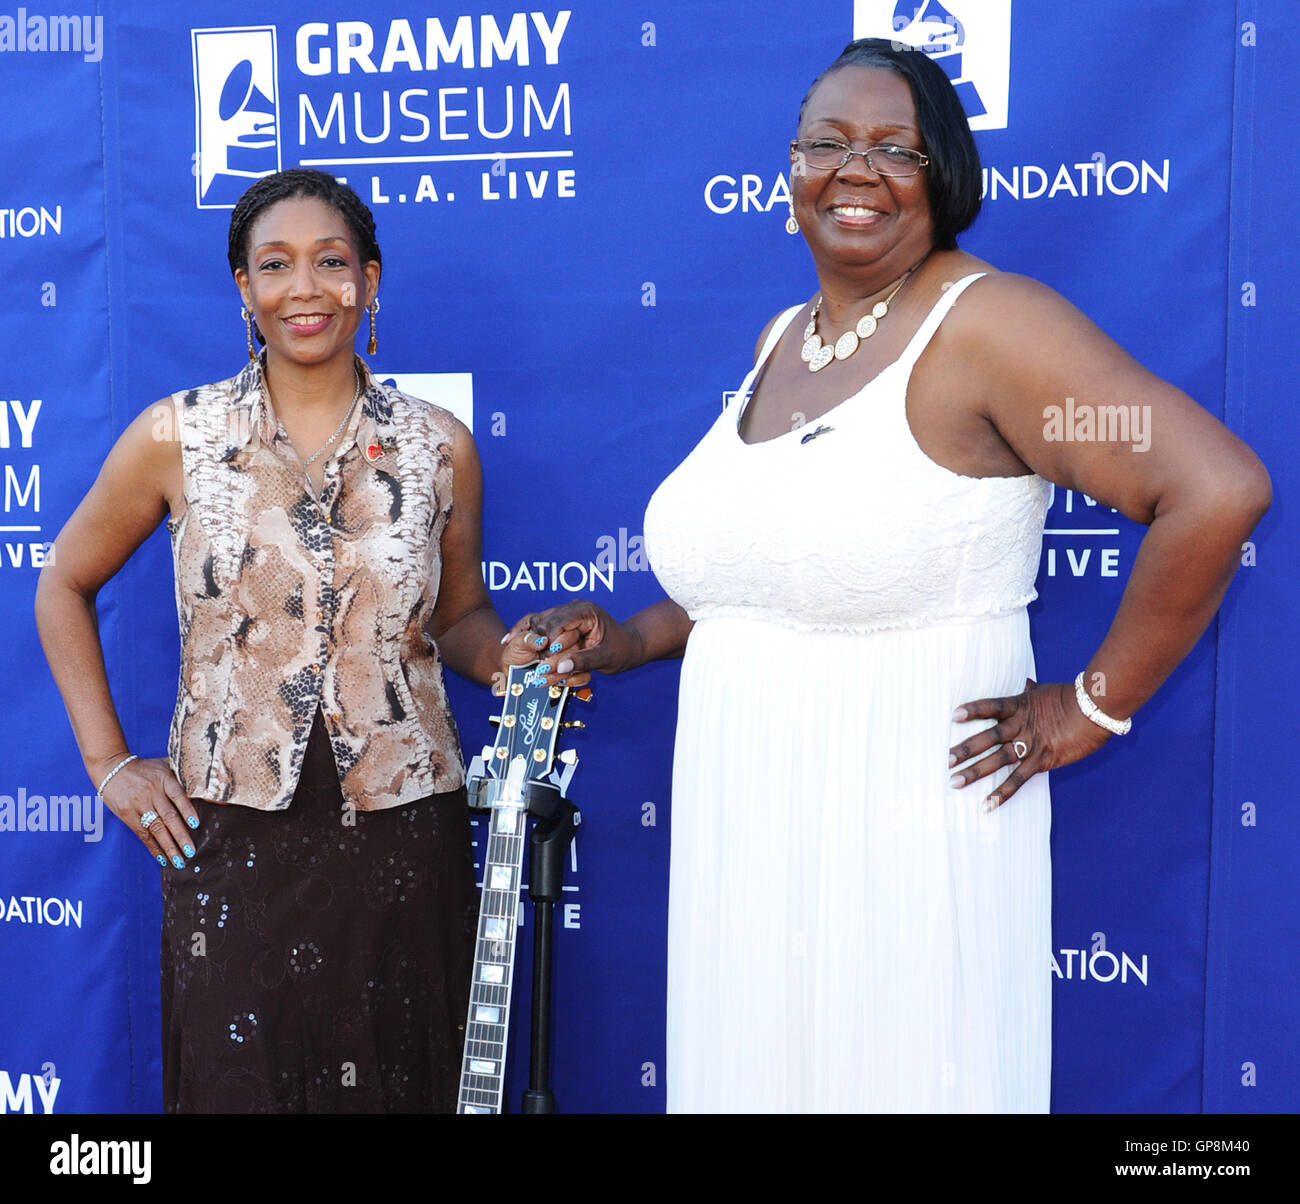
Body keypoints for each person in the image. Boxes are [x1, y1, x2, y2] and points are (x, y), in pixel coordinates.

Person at [503, 39, 1271, 1112]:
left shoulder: (991, 327)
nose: (854, 170)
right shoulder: (788, 335)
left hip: (902, 833)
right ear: (789, 170)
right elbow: (776, 565)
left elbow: (1212, 486)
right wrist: (625, 639)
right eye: (829, 143)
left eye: (893, 149)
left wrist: (1092, 707)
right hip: (750, 835)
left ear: (942, 174)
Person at [33, 169, 547, 1113]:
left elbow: (458, 617)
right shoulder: (176, 436)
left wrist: (508, 658)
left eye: (331, 262)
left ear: (372, 279)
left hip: (404, 833)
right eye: (275, 265)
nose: (303, 288)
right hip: (228, 836)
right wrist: (109, 763)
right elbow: (61, 581)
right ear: (243, 289)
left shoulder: (440, 446)